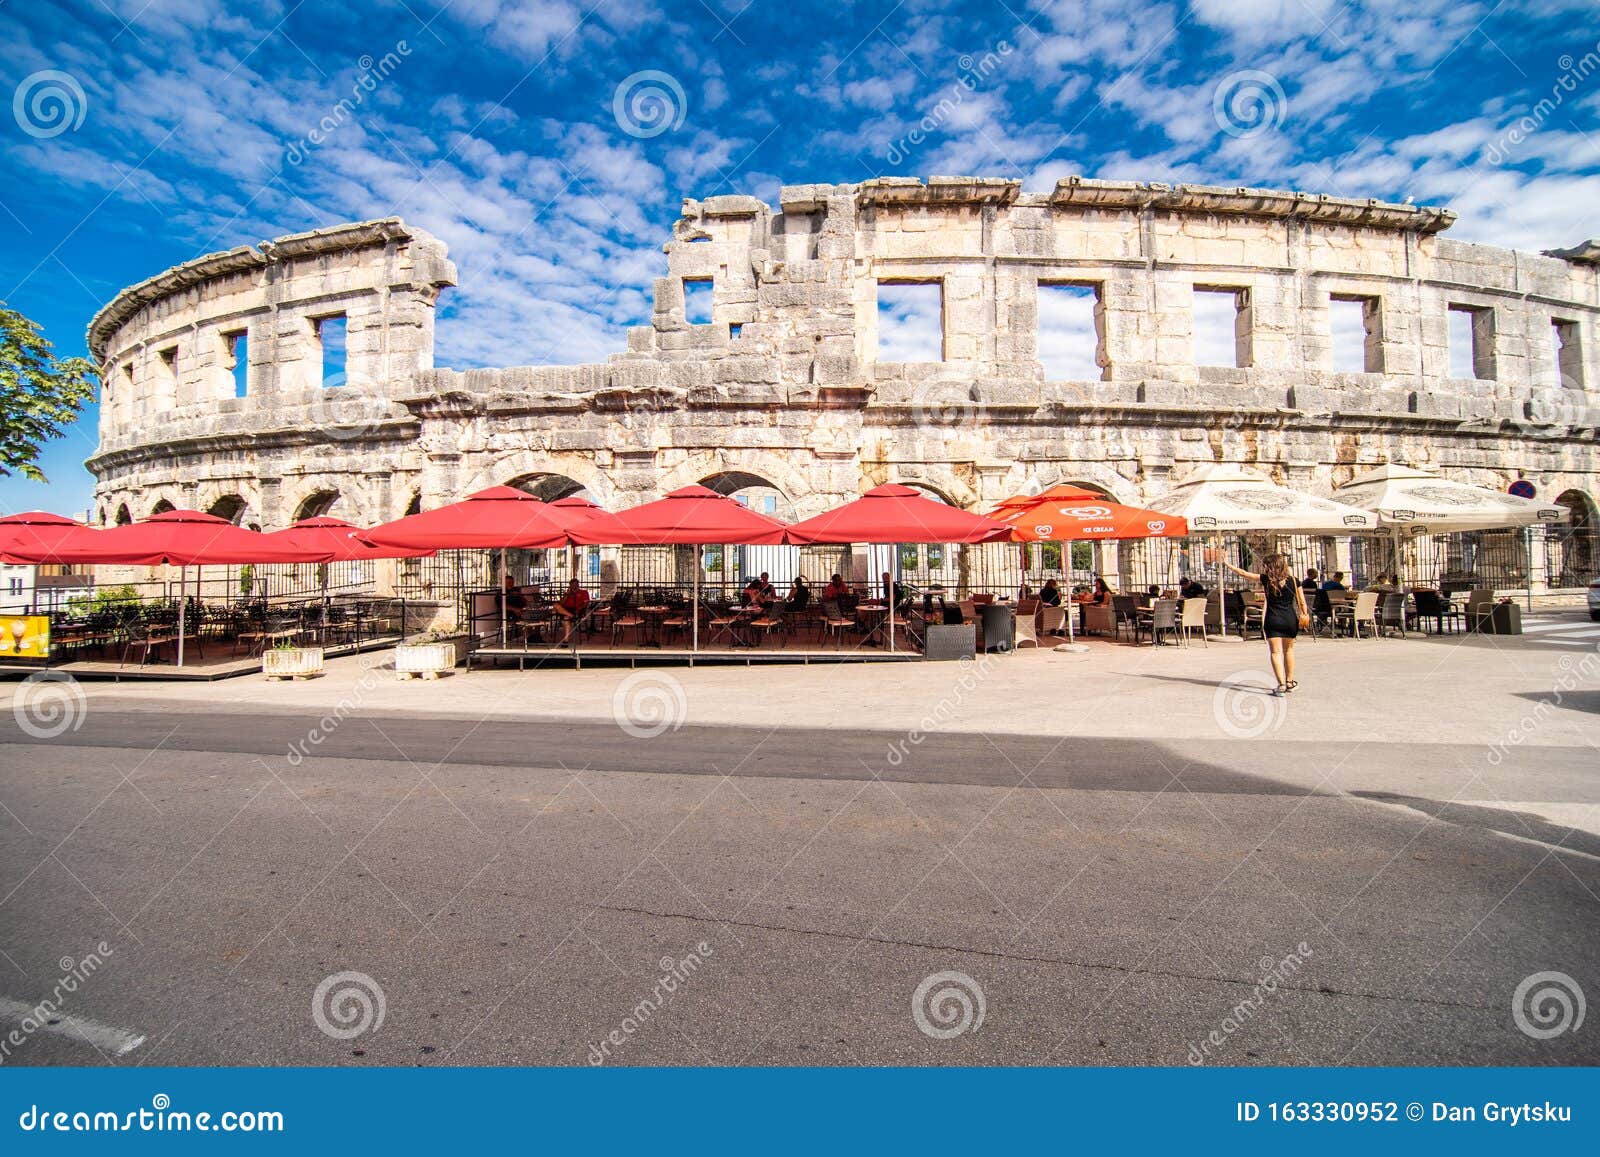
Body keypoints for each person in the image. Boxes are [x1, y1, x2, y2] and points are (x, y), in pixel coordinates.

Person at [1223, 552, 1307, 695]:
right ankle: (1289, 682)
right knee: (1289, 651)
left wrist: (1227, 564)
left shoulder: (1266, 579)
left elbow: (1244, 573)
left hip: (1273, 619)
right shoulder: (1294, 580)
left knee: (1275, 652)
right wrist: (1305, 614)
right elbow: (1302, 602)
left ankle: (1280, 685)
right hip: (1289, 618)